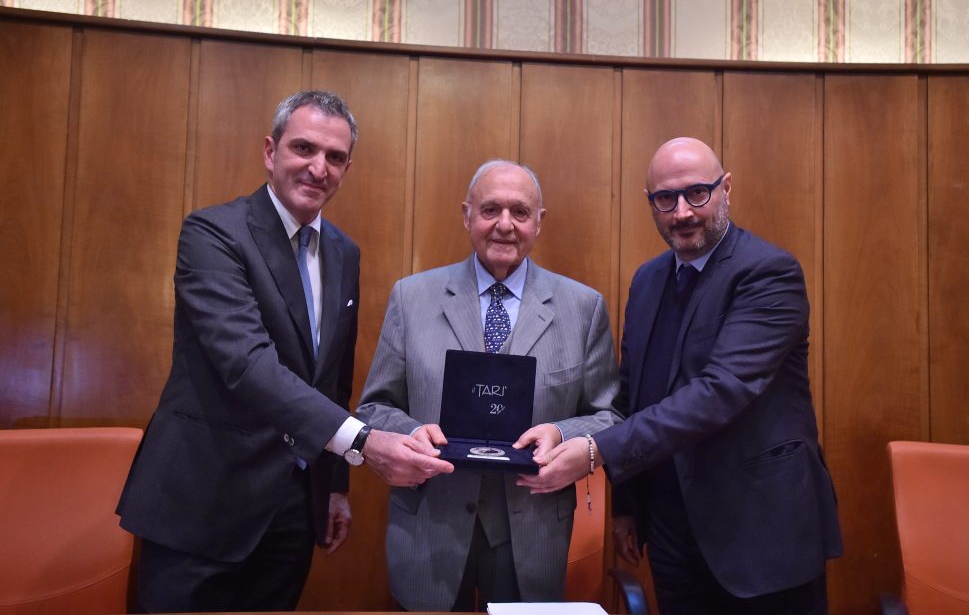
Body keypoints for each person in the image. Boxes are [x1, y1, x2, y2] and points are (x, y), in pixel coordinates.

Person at [116, 91, 453, 613]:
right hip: (202, 503)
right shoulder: (213, 233)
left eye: (335, 157)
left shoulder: (344, 252)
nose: (319, 168)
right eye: (304, 149)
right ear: (270, 152)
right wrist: (360, 443)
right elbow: (247, 364)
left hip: (294, 509)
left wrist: (335, 484)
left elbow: (332, 376)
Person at [521, 138, 842, 614]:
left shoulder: (768, 274)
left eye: (698, 193)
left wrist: (595, 452)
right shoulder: (649, 280)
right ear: (649, 202)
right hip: (674, 531)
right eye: (665, 199)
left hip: (762, 531)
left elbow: (720, 392)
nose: (683, 212)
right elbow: (634, 395)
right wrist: (628, 505)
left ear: (726, 187)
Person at [356, 159, 621, 611]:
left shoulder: (583, 308)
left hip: (532, 529)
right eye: (490, 209)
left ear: (539, 221)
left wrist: (562, 433)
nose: (504, 225)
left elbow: (609, 416)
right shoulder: (412, 297)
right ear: (466, 215)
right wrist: (409, 433)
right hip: (430, 524)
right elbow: (374, 407)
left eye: (520, 212)